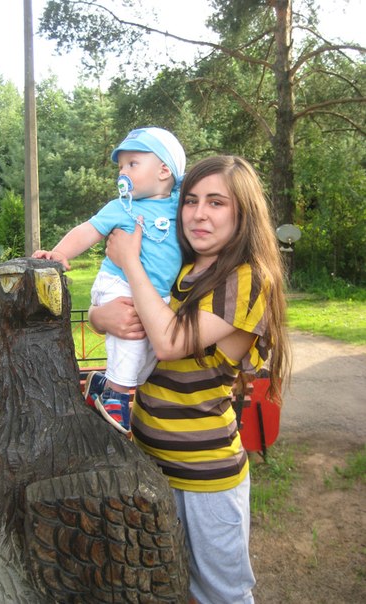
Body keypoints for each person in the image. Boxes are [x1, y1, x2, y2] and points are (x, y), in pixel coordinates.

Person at [89, 155, 292, 604]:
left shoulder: (247, 279)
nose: (199, 213)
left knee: (222, 594)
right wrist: (99, 318)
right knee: (167, 585)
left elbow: (167, 341)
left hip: (205, 475)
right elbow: (131, 315)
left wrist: (131, 262)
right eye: (191, 200)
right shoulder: (181, 266)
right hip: (149, 460)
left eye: (216, 202)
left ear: (243, 213)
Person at [32, 127, 186, 435]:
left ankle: (103, 384)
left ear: (164, 170)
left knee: (147, 359)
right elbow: (87, 230)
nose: (123, 172)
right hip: (119, 285)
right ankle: (116, 394)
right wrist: (60, 253)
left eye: (132, 164)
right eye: (120, 167)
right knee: (131, 339)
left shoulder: (180, 207)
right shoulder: (121, 207)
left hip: (156, 295)